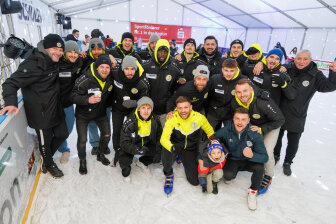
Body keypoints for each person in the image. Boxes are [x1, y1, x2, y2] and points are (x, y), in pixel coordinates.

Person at [0, 34, 68, 178]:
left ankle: (46, 155)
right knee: (45, 142)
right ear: (46, 48)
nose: (58, 52)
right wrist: (11, 103)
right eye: (55, 49)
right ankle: (48, 163)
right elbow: (10, 83)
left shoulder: (53, 59)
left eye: (61, 50)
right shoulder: (32, 64)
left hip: (55, 107)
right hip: (41, 114)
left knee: (62, 134)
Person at [274, 50, 336, 176]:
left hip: (298, 115)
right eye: (299, 58)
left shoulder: (315, 75)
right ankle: (275, 156)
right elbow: (271, 70)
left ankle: (287, 162)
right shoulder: (287, 68)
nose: (301, 62)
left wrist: (333, 73)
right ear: (295, 59)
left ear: (310, 60)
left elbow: (328, 86)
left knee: (293, 142)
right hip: (280, 112)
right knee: (277, 138)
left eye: (305, 59)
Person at [231, 78, 285, 194]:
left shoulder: (263, 102)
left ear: (251, 89)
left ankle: (269, 175)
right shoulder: (234, 102)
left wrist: (262, 129)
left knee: (266, 149)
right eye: (239, 92)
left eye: (245, 91)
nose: (242, 95)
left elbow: (280, 119)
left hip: (270, 126)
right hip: (251, 125)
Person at [214, 107, 268, 210]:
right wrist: (218, 146)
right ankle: (231, 174)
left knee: (260, 167)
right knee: (227, 176)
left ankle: (253, 192)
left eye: (243, 119)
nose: (240, 122)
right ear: (233, 119)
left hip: (248, 161)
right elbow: (212, 139)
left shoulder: (255, 133)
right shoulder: (226, 130)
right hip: (233, 159)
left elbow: (265, 157)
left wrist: (252, 156)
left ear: (248, 121)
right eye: (237, 118)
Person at [160, 96, 214, 195]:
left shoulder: (199, 118)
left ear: (190, 107)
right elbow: (163, 139)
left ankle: (181, 157)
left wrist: (214, 144)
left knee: (194, 181)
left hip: (190, 148)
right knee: (165, 150)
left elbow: (210, 132)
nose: (183, 111)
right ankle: (168, 174)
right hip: (177, 145)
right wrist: (172, 147)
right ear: (176, 108)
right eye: (180, 108)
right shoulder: (172, 118)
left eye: (185, 107)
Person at [72, 55, 113, 174]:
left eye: (107, 67)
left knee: (106, 135)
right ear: (96, 68)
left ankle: (100, 154)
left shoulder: (110, 78)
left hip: (100, 112)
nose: (104, 70)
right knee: (82, 140)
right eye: (102, 67)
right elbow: (73, 96)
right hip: (83, 115)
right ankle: (82, 161)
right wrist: (87, 100)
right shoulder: (85, 79)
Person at [109, 56, 150, 166]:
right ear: (122, 69)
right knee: (117, 130)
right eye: (127, 69)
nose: (129, 72)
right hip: (117, 107)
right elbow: (101, 65)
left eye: (132, 69)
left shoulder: (142, 81)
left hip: (132, 109)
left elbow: (145, 100)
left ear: (136, 69)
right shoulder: (115, 72)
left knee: (131, 131)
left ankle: (130, 151)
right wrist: (110, 57)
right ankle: (117, 150)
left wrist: (135, 103)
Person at [119, 97, 162, 180]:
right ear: (138, 109)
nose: (146, 111)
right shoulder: (130, 122)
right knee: (125, 171)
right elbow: (124, 142)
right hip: (132, 144)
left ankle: (142, 161)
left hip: (146, 143)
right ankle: (126, 164)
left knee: (157, 153)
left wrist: (158, 151)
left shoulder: (155, 120)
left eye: (148, 108)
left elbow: (159, 136)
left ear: (151, 109)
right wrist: (137, 150)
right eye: (143, 108)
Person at [142, 39, 182, 127]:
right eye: (160, 51)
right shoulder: (146, 67)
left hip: (165, 111)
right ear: (156, 51)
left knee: (163, 136)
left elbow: (177, 90)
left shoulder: (174, 70)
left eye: (165, 51)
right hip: (148, 110)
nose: (163, 54)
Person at [57, 40, 83, 164]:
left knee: (69, 127)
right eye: (70, 52)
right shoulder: (57, 63)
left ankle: (60, 145)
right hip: (54, 103)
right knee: (56, 128)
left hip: (68, 103)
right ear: (64, 53)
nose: (73, 55)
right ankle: (64, 149)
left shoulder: (79, 62)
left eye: (75, 52)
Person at [207, 58, 247, 131]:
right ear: (222, 69)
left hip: (230, 114)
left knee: (230, 137)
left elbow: (254, 90)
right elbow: (206, 94)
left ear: (236, 70)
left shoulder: (243, 80)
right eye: (226, 70)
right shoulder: (215, 79)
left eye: (232, 71)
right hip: (213, 112)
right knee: (207, 135)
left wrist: (262, 93)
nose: (228, 74)